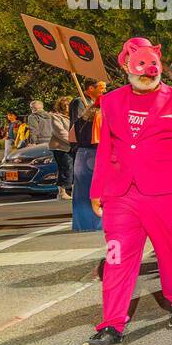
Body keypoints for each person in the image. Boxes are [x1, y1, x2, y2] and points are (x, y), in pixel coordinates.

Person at [78, 39, 172, 345]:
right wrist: (97, 189)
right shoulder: (111, 101)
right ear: (126, 67)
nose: (147, 73)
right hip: (121, 196)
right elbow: (106, 147)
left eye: (152, 66)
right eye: (140, 66)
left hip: (165, 195)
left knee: (171, 251)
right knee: (116, 258)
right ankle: (111, 327)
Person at [69, 78, 106, 232]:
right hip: (95, 155)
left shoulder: (81, 119)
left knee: (81, 192)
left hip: (80, 156)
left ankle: (81, 225)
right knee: (97, 190)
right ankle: (97, 223)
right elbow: (98, 139)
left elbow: (70, 138)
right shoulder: (100, 116)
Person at [48, 97, 73, 199]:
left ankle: (69, 191)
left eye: (68, 104)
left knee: (72, 169)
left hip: (72, 146)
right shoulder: (56, 117)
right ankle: (62, 192)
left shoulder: (74, 116)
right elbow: (60, 132)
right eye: (64, 105)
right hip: (61, 147)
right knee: (65, 168)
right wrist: (73, 141)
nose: (67, 107)